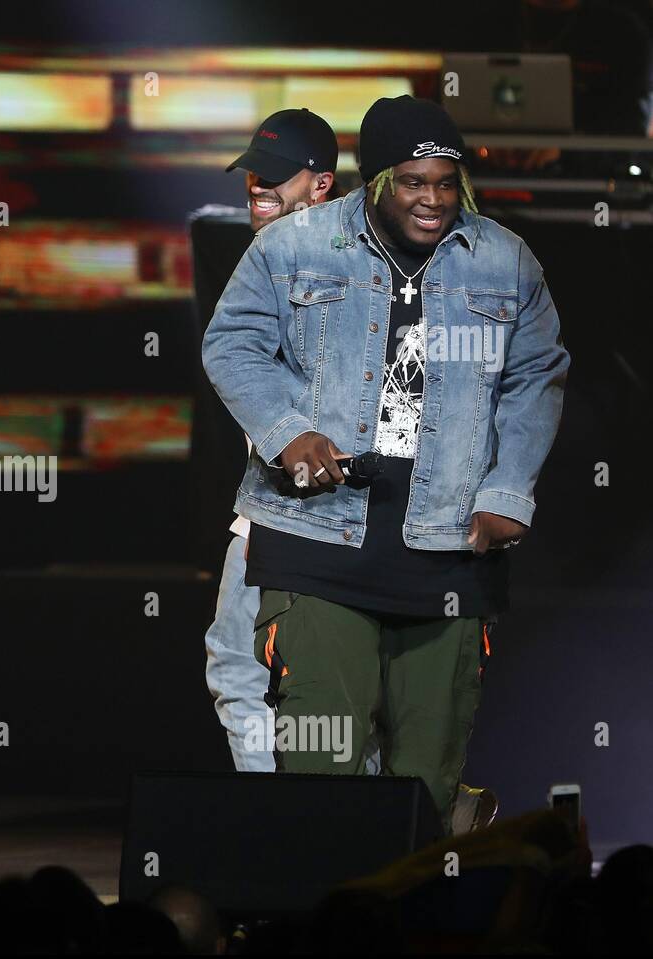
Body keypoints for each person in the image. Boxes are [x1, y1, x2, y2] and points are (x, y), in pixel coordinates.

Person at [203, 96, 569, 834]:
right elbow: (232, 343)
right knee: (323, 759)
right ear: (375, 183)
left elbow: (537, 376)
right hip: (316, 537)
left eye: (444, 182)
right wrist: (287, 433)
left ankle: (412, 920)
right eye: (412, 182)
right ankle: (313, 916)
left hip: (448, 543)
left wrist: (508, 491)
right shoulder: (294, 247)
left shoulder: (503, 259)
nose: (432, 199)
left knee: (426, 776)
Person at [200, 108, 338, 773]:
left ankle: (284, 830)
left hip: (311, 508)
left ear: (322, 186)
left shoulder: (325, 263)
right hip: (275, 507)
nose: (259, 186)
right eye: (255, 171)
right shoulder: (273, 255)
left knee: (258, 674)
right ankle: (311, 834)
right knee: (274, 677)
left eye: (278, 176)